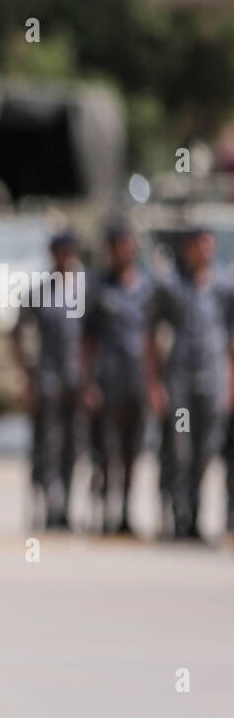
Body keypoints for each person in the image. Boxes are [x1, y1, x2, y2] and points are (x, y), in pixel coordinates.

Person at [147, 226, 234, 542]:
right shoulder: (171, 285)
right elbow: (151, 336)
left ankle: (195, 516)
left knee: (205, 450)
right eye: (199, 244)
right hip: (181, 384)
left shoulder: (224, 286)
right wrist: (155, 384)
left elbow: (230, 344)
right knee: (180, 449)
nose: (205, 250)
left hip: (211, 383)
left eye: (208, 244)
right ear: (187, 248)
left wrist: (230, 386)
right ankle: (179, 517)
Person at [81, 224, 153, 536]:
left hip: (136, 381)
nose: (121, 252)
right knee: (105, 451)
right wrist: (88, 384)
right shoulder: (98, 289)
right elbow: (87, 342)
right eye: (115, 246)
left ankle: (125, 513)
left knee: (131, 451)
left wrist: (155, 383)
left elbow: (153, 340)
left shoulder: (148, 289)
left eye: (125, 245)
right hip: (107, 381)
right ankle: (104, 513)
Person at [12, 231, 83, 530]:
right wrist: (27, 374)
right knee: (45, 445)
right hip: (47, 379)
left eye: (70, 251)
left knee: (72, 444)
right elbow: (17, 333)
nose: (65, 258)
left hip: (75, 380)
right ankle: (43, 506)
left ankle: (65, 506)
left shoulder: (83, 290)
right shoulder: (40, 291)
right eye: (60, 252)